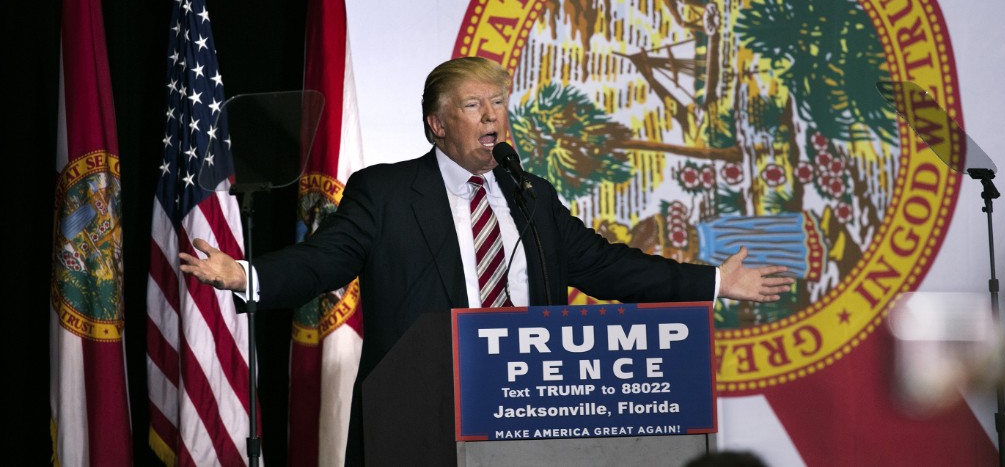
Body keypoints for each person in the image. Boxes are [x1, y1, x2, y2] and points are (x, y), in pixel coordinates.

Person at [179, 56, 795, 466]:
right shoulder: (387, 192)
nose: (493, 115)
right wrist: (246, 275)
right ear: (436, 124)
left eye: (498, 102)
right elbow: (325, 259)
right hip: (426, 419)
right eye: (474, 105)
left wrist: (712, 280)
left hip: (532, 414)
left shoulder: (531, 194)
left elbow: (604, 266)